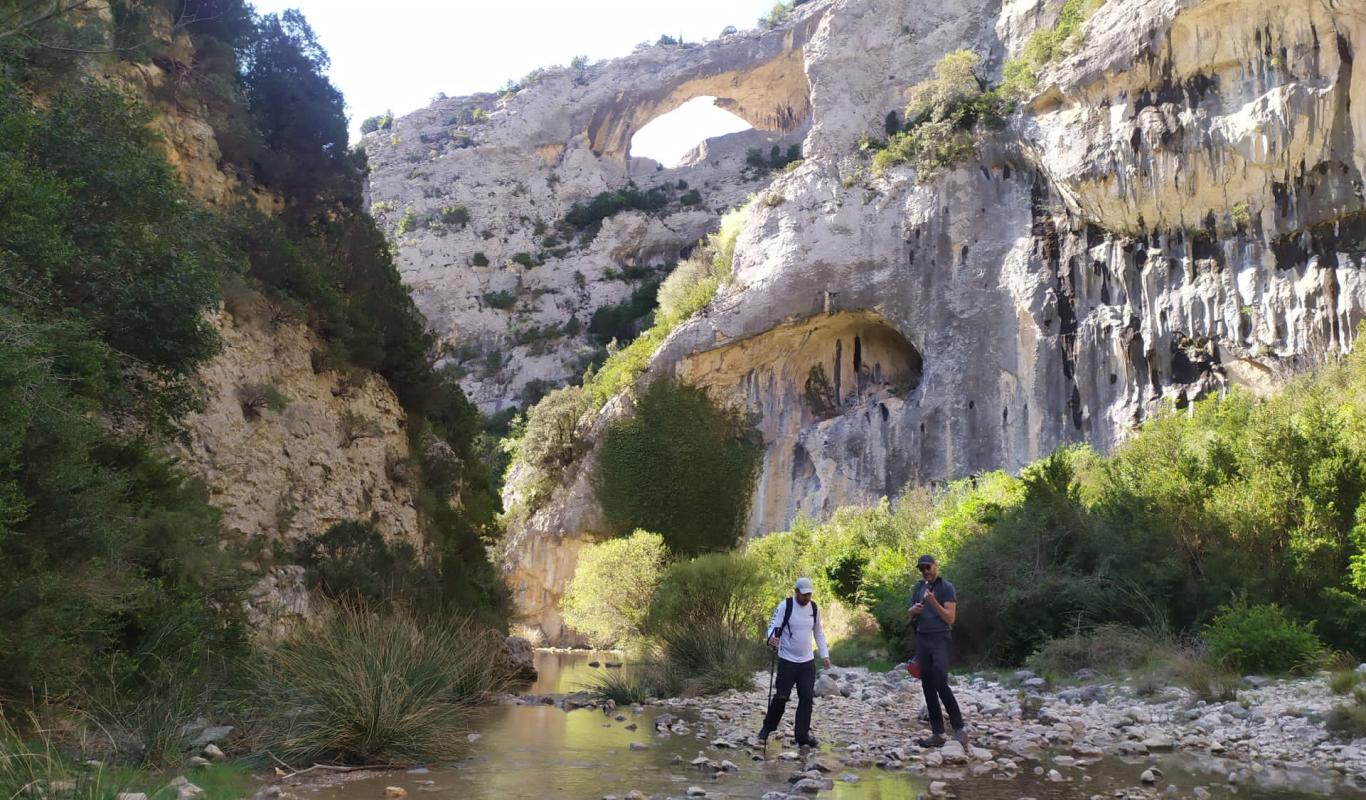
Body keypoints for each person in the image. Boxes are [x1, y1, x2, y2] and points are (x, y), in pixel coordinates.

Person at [758, 577, 831, 748]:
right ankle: (767, 728)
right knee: (782, 697)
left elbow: (818, 632)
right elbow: (773, 626)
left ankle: (802, 736)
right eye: (804, 594)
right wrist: (772, 639)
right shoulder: (786, 605)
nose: (807, 598)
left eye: (809, 595)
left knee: (806, 698)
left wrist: (824, 655)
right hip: (787, 660)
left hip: (807, 662)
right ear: (796, 592)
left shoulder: (814, 608)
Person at [909, 554, 967, 748]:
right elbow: (909, 613)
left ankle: (959, 728)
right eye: (921, 568)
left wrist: (933, 603)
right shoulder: (918, 588)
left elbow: (950, 618)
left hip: (941, 638)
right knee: (927, 686)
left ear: (935, 566)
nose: (925, 571)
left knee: (941, 682)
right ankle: (938, 734)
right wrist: (913, 611)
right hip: (922, 638)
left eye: (928, 567)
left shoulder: (946, 587)